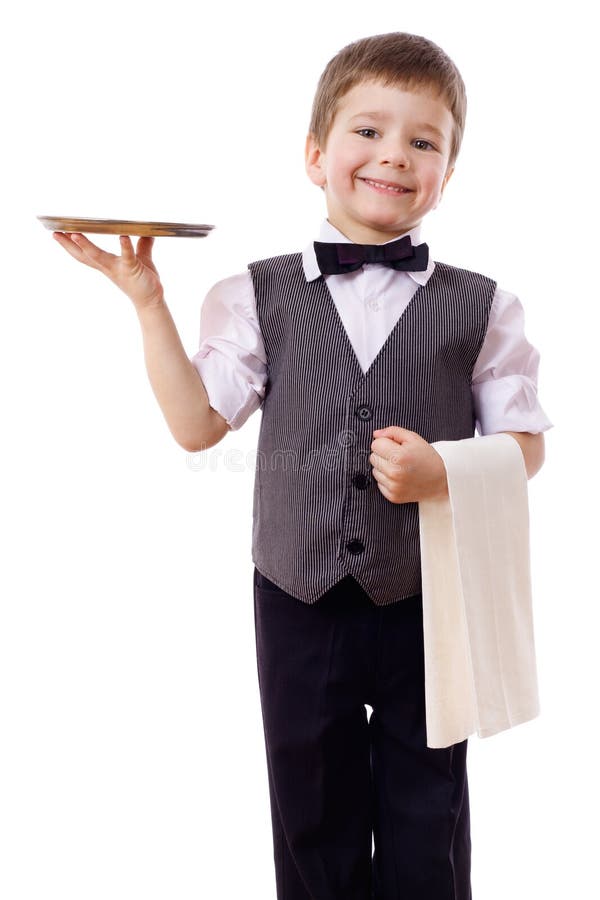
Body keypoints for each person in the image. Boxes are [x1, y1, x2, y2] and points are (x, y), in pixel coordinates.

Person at [52, 31, 552, 900]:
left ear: (448, 172)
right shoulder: (254, 294)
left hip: (428, 594)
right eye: (369, 131)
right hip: (297, 593)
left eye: (423, 141)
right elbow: (197, 426)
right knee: (311, 808)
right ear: (316, 154)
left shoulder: (485, 307)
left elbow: (527, 447)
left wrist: (444, 472)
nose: (393, 154)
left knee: (429, 810)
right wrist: (148, 303)